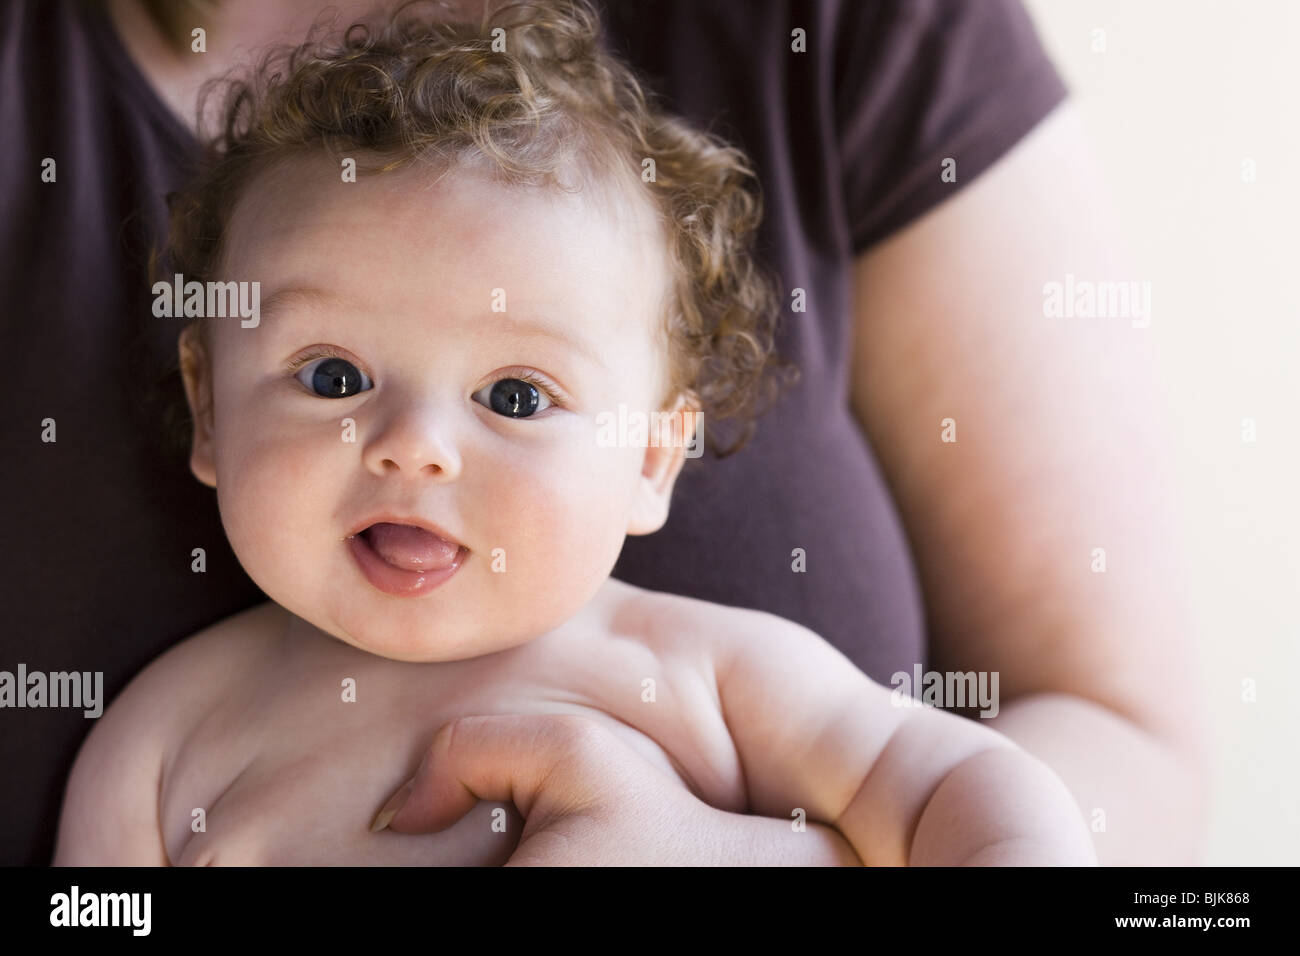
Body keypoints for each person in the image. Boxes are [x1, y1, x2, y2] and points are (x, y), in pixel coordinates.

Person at [1, 0, 1209, 866]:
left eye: (515, 396)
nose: (412, 445)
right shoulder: (165, 736)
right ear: (211, 409)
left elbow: (967, 788)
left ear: (648, 457)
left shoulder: (718, 672)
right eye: (332, 374)